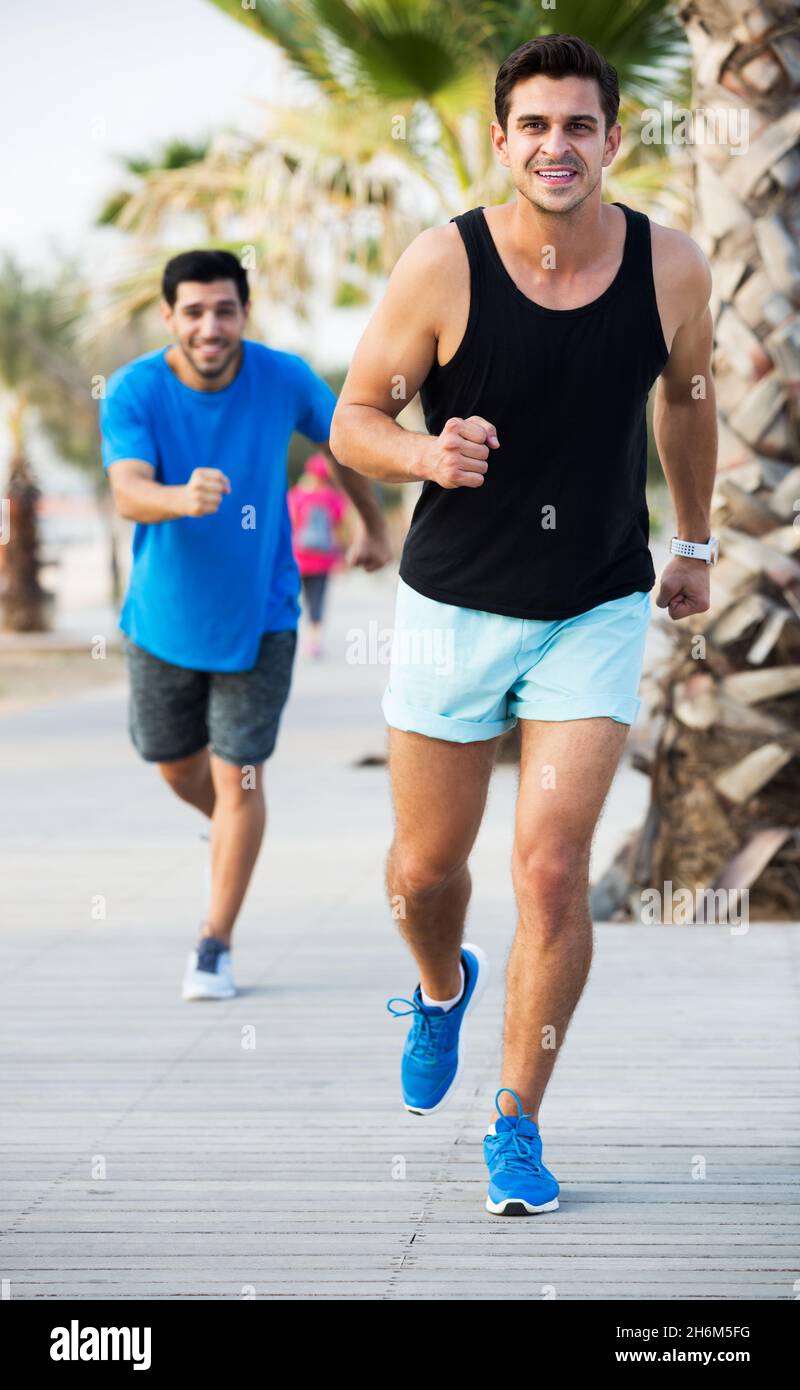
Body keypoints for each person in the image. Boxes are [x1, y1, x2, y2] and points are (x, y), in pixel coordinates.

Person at [330, 34, 718, 1215]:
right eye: (534, 126)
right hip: (453, 603)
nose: (557, 146)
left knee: (550, 870)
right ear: (500, 141)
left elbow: (688, 403)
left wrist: (692, 541)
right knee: (423, 869)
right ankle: (440, 987)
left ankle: (516, 1121)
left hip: (593, 600)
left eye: (579, 125)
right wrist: (421, 450)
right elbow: (354, 420)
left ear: (612, 138)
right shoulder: (441, 264)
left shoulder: (670, 266)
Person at [100, 249, 391, 1001]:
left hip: (263, 617)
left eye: (223, 309)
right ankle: (235, 828)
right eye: (193, 311)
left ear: (243, 313)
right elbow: (128, 490)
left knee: (240, 776)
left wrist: (372, 526)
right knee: (170, 761)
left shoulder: (283, 376)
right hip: (162, 622)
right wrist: (179, 497)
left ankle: (213, 945)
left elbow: (346, 439)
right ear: (169, 317)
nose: (209, 326)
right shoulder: (134, 390)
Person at [288, 453, 347, 658]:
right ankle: (314, 640)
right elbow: (338, 528)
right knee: (317, 600)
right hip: (323, 559)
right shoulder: (333, 497)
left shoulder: (297, 495)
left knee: (293, 597)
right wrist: (340, 556)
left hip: (298, 557)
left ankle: (293, 636)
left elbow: (290, 525)